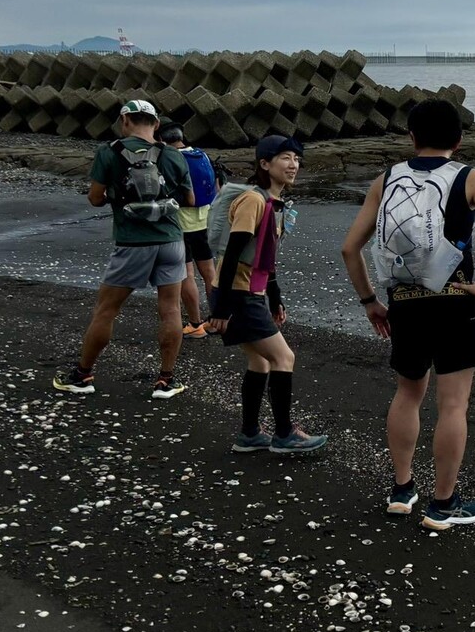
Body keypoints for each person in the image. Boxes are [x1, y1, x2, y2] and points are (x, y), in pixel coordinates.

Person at [340, 99, 475, 530]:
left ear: (411, 137)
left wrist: (370, 302)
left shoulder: (386, 179)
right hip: (456, 299)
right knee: (453, 404)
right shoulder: (470, 178)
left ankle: (402, 491)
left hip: (404, 301)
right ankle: (443, 504)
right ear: (459, 140)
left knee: (408, 394)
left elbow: (350, 248)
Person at [53, 100, 194, 399]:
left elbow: (94, 198)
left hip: (132, 242)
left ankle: (82, 375)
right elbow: (190, 199)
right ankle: (165, 381)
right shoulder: (173, 155)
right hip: (171, 240)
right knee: (170, 309)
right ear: (156, 124)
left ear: (125, 120)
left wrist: (116, 198)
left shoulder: (109, 152)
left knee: (106, 310)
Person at [209, 135, 327, 454]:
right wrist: (220, 308)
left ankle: (249, 434)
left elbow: (265, 257)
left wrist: (274, 298)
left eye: (297, 159)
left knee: (260, 361)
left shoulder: (274, 204)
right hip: (238, 294)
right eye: (285, 158)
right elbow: (232, 253)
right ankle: (284, 434)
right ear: (265, 164)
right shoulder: (254, 200)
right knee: (283, 357)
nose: (293, 165)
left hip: (250, 293)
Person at [159, 123, 217, 339]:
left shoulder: (170, 158)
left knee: (187, 275)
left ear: (162, 141)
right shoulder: (201, 154)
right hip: (204, 220)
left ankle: (195, 324)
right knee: (209, 272)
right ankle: (216, 319)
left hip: (181, 223)